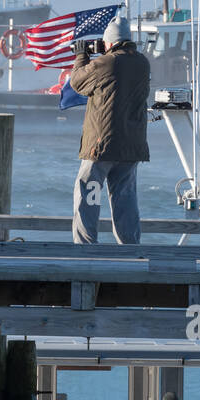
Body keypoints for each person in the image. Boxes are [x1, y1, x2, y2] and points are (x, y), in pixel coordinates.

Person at [69, 16, 150, 244]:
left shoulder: (107, 62)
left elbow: (77, 82)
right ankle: (130, 248)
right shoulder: (142, 63)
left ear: (109, 42)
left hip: (101, 146)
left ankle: (85, 246)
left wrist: (81, 55)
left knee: (88, 193)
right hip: (131, 147)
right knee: (125, 198)